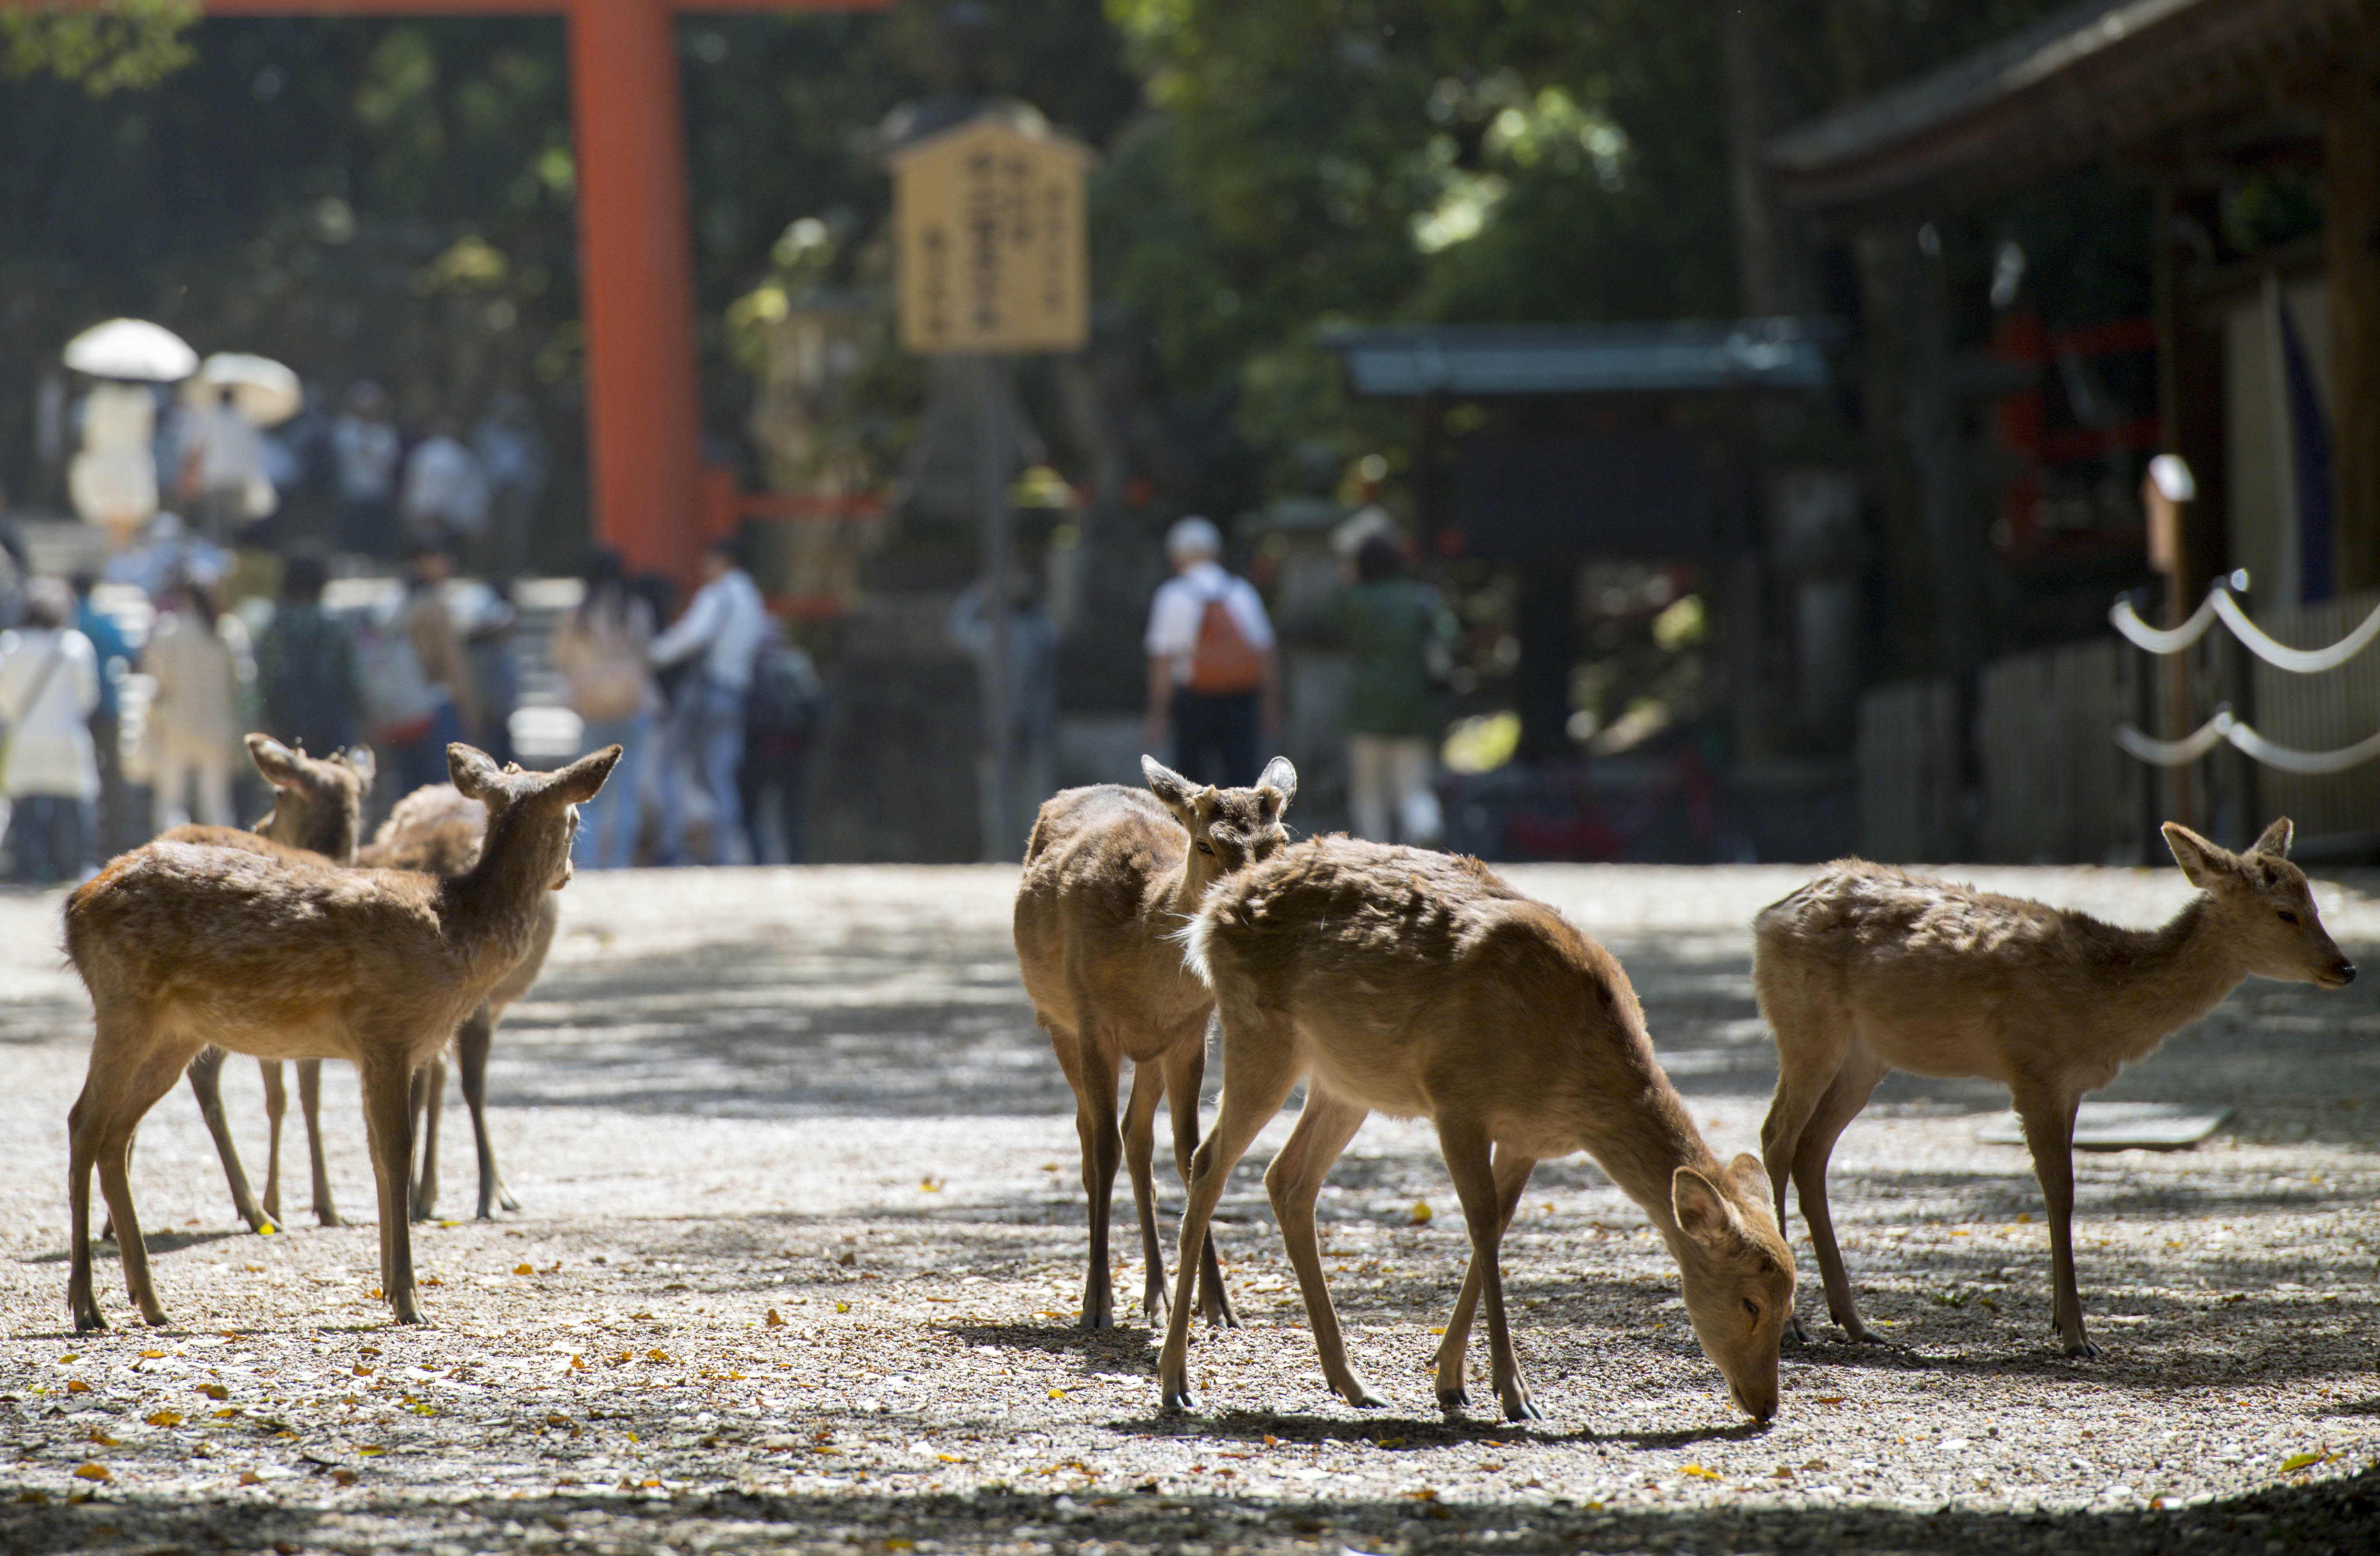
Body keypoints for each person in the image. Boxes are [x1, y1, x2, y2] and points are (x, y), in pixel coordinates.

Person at [648, 535, 767, 866]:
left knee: (668, 764)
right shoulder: (753, 598)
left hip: (705, 691)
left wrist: (652, 654)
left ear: (723, 561)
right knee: (721, 775)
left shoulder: (718, 595)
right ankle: (725, 851)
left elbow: (692, 637)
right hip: (736, 694)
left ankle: (673, 845)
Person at [1336, 530, 1458, 846]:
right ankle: (1424, 825)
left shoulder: (1353, 601)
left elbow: (1326, 618)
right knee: (1413, 785)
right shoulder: (1422, 600)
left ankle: (1373, 853)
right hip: (1413, 707)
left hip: (1365, 707)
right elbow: (1448, 642)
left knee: (1367, 790)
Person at [1141, 515, 1279, 788]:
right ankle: (1244, 831)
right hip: (1241, 697)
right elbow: (1266, 651)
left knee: (1191, 783)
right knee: (1242, 778)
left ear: (1176, 557)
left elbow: (1163, 660)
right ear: (1217, 553)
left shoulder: (1172, 595)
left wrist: (1158, 712)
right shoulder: (1242, 591)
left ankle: (1194, 832)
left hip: (1195, 700)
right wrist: (1271, 702)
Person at [550, 550, 657, 868]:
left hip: (591, 707)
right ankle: (620, 861)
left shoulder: (577, 614)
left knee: (588, 788)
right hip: (628, 706)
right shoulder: (635, 610)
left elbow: (560, 658)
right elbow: (647, 657)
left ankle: (586, 859)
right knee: (626, 789)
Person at [947, 568, 1056, 860]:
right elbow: (1054, 624)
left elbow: (957, 628)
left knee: (996, 799)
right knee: (1039, 798)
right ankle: (1039, 856)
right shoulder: (1042, 633)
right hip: (1036, 726)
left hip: (997, 727)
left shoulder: (993, 637)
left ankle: (1000, 857)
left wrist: (979, 594)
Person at [0, 579, 101, 882]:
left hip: (25, 736)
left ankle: (30, 872)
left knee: (27, 810)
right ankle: (72, 870)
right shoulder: (75, 645)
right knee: (71, 807)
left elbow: (4, 700)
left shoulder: (10, 645)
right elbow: (89, 697)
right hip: (67, 734)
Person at [358, 543, 475, 797]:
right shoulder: (431, 607)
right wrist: (468, 707)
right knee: (443, 790)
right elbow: (448, 663)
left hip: (399, 711)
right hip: (435, 707)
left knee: (409, 788)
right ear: (423, 561)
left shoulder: (390, 605)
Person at [142, 572, 250, 834]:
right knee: (216, 804)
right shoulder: (228, 632)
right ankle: (225, 861)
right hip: (219, 727)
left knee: (171, 800)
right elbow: (243, 682)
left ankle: (168, 856)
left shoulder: (170, 632)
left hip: (178, 726)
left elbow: (159, 680)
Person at [255, 543, 361, 761]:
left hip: (286, 717)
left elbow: (264, 674)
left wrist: (263, 715)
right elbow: (350, 673)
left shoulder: (275, 623)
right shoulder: (334, 621)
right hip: (332, 716)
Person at [741, 619, 827, 865]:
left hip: (761, 752)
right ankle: (796, 860)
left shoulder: (752, 666)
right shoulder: (798, 663)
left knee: (754, 812)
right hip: (796, 752)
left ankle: (760, 861)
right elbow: (817, 708)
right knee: (792, 813)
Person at [67, 573, 135, 854]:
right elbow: (129, 654)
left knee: (76, 776)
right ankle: (112, 842)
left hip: (74, 712)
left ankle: (76, 845)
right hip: (108, 707)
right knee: (111, 777)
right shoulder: (106, 621)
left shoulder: (68, 621)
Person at [182, 385, 273, 545]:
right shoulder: (247, 420)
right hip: (238, 481)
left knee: (215, 528)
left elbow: (196, 450)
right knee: (235, 527)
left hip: (214, 478)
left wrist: (191, 479)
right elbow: (255, 453)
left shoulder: (209, 418)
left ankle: (217, 561)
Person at [473, 394, 545, 580]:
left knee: (515, 532)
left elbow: (536, 462)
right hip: (493, 489)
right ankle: (489, 571)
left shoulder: (527, 435)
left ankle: (514, 571)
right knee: (490, 532)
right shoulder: (487, 434)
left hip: (518, 489)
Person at [332, 381, 402, 558]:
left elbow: (386, 461)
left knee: (373, 535)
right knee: (350, 535)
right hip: (350, 491)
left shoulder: (386, 432)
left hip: (377, 493)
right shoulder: (344, 428)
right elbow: (343, 457)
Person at [399, 416, 488, 552]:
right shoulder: (462, 455)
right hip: (448, 512)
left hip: (427, 509)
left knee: (429, 545)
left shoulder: (423, 452)